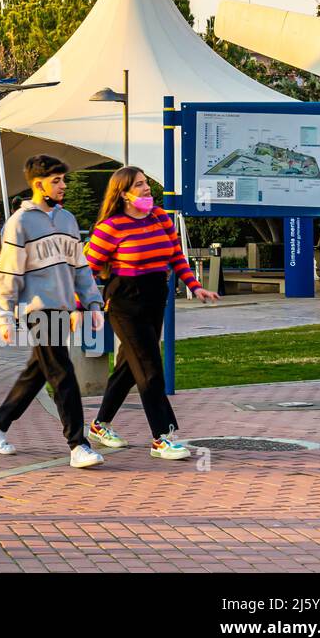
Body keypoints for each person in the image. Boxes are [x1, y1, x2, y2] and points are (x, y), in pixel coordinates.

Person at [0, 155, 106, 469]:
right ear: (38, 184)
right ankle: (78, 445)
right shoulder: (20, 224)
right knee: (63, 374)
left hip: (62, 308)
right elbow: (8, 274)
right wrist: (4, 316)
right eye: (56, 180)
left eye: (63, 179)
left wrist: (92, 302)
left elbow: (80, 267)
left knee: (39, 371)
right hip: (37, 310)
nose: (63, 185)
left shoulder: (67, 220)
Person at [84, 167, 219, 460]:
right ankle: (163, 437)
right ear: (124, 194)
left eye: (146, 183)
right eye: (140, 185)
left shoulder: (160, 217)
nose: (148, 189)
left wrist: (196, 287)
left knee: (129, 368)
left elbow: (175, 256)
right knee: (149, 368)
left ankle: (99, 425)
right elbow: (85, 270)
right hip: (124, 303)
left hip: (156, 297)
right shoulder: (111, 227)